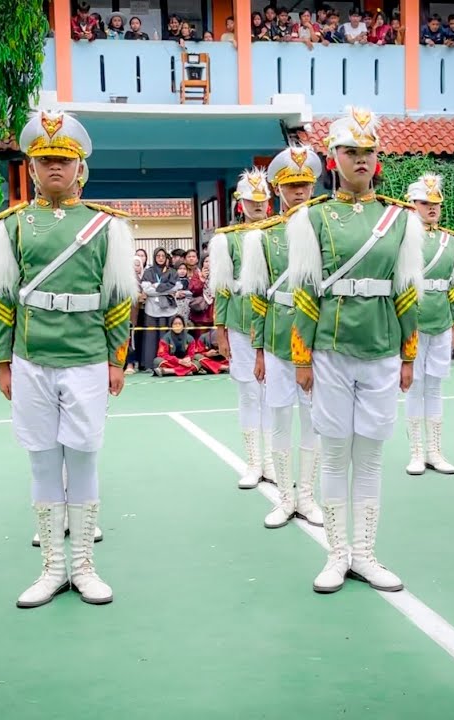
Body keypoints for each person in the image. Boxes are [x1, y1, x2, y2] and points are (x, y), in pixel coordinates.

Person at [0, 108, 136, 607]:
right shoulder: (10, 227)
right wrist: (3, 361)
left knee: (84, 458)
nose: (54, 167)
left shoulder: (106, 227)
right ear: (30, 167)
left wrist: (116, 359)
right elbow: (3, 299)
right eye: (45, 159)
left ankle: (84, 567)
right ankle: (51, 568)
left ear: (79, 167)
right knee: (43, 461)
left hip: (87, 356)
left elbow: (119, 299)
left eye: (63, 160)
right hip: (31, 358)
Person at [287, 107, 424, 594]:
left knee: (368, 454)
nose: (360, 159)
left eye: (368, 151)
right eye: (350, 151)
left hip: (382, 348)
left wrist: (409, 353)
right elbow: (306, 291)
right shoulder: (312, 218)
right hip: (330, 348)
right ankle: (336, 554)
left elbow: (407, 290)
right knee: (333, 452)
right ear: (333, 158)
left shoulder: (400, 219)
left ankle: (364, 554)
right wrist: (301, 356)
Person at [244, 145, 327, 529]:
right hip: (279, 339)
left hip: (317, 340)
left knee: (313, 419)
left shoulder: (325, 229)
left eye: (304, 184)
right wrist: (258, 349)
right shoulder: (263, 237)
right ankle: (285, 498)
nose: (299, 191)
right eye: (292, 185)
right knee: (279, 417)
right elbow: (257, 297)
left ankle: (307, 497)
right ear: (278, 189)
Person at [209, 169, 275, 489]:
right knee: (249, 393)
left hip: (274, 323)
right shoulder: (227, 239)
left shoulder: (279, 233)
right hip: (241, 322)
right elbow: (222, 287)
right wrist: (220, 328)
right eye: (251, 200)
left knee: (273, 394)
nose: (257, 205)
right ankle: (254, 462)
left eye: (262, 199)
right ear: (240, 203)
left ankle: (273, 461)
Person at [401, 173, 454, 476]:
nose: (432, 208)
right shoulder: (404, 239)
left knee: (434, 386)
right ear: (412, 205)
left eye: (436, 203)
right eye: (425, 203)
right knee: (414, 386)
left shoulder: (451, 241)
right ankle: (416, 452)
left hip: (441, 319)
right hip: (413, 319)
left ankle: (435, 451)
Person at [154, 315, 223, 375]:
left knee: (197, 363)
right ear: (171, 326)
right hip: (172, 362)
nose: (177, 326)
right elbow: (162, 354)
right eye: (175, 324)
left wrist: (188, 359)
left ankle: (168, 371)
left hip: (186, 362)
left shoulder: (190, 338)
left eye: (180, 324)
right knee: (158, 361)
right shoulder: (165, 339)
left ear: (183, 326)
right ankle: (185, 371)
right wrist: (179, 361)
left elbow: (191, 354)